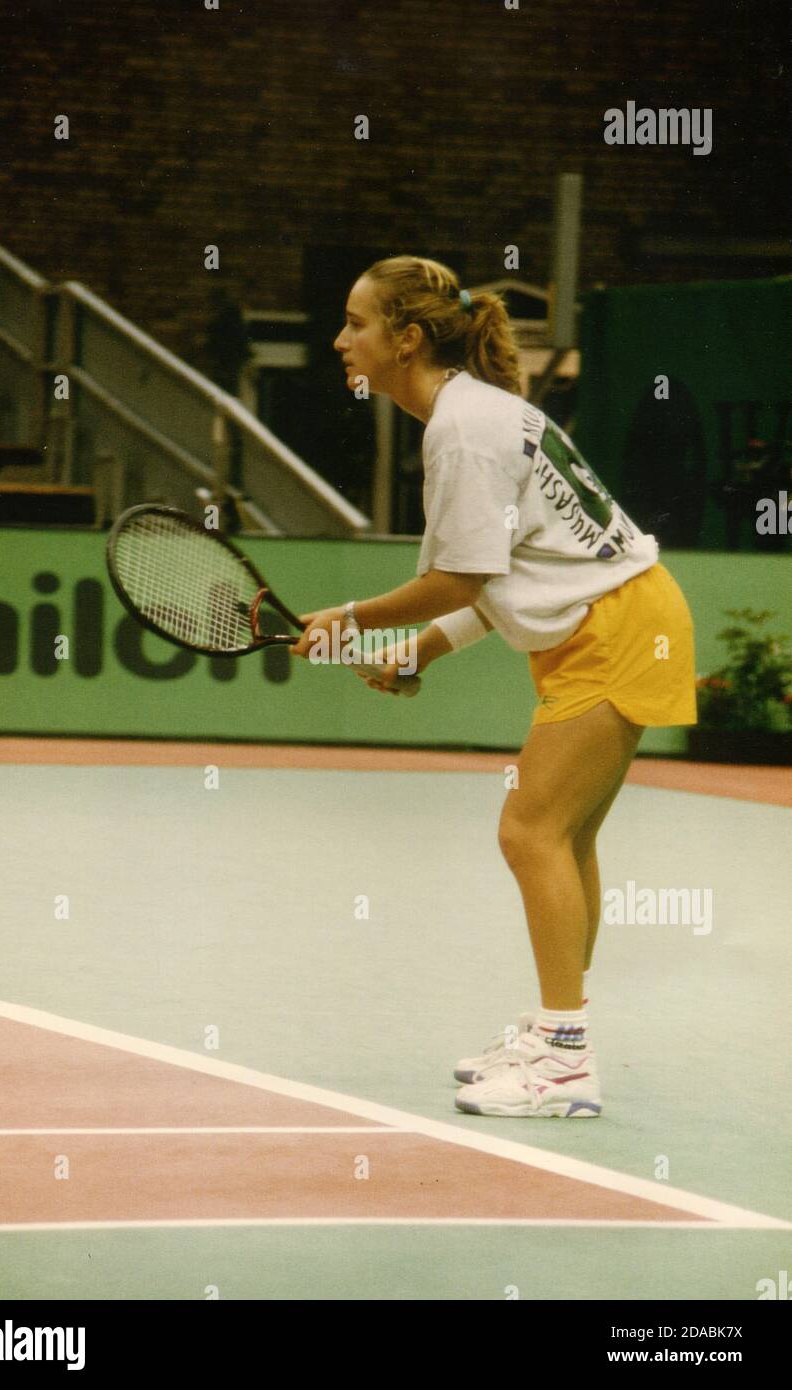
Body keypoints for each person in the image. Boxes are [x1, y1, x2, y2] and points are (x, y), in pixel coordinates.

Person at [289, 255, 697, 1118]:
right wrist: (422, 652)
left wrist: (356, 618)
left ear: (407, 339)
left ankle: (562, 1059)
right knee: (566, 838)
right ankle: (558, 1030)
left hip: (617, 631)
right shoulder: (479, 415)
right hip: (626, 621)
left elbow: (462, 577)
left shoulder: (462, 430)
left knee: (530, 830)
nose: (340, 340)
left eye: (356, 324)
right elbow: (500, 573)